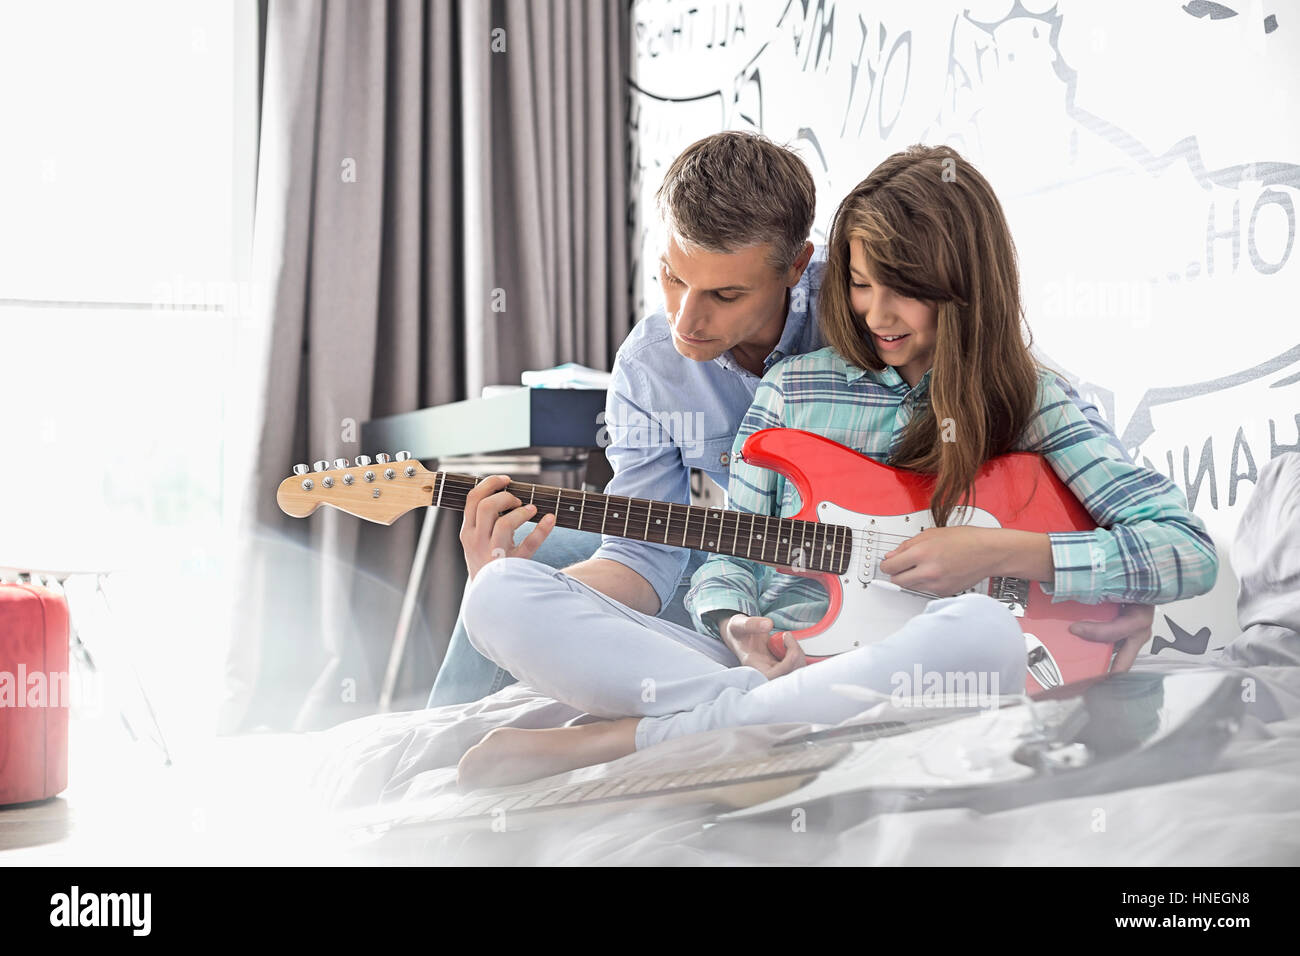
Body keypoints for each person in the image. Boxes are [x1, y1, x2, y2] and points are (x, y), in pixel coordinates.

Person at [453, 144, 1219, 789]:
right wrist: (735, 623)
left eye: (906, 292)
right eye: (861, 287)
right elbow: (719, 558)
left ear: (796, 271)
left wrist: (1022, 559)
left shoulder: (1023, 395)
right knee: (498, 596)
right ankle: (762, 719)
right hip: (785, 660)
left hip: (920, 650)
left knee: (983, 634)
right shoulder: (792, 389)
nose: (877, 315)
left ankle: (631, 741)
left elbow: (1183, 549)